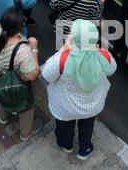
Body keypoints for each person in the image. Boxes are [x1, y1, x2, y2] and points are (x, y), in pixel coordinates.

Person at [43, 19, 116, 160]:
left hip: (65, 106)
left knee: (64, 125)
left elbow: (47, 75)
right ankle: (85, 149)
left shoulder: (63, 58)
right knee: (87, 125)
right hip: (91, 105)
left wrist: (63, 49)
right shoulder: (104, 55)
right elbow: (112, 69)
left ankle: (66, 146)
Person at [0, 7, 42, 140]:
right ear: (21, 28)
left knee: (1, 95)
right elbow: (32, 75)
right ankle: (25, 133)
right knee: (26, 106)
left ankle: (3, 118)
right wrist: (34, 49)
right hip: (15, 83)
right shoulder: (23, 50)